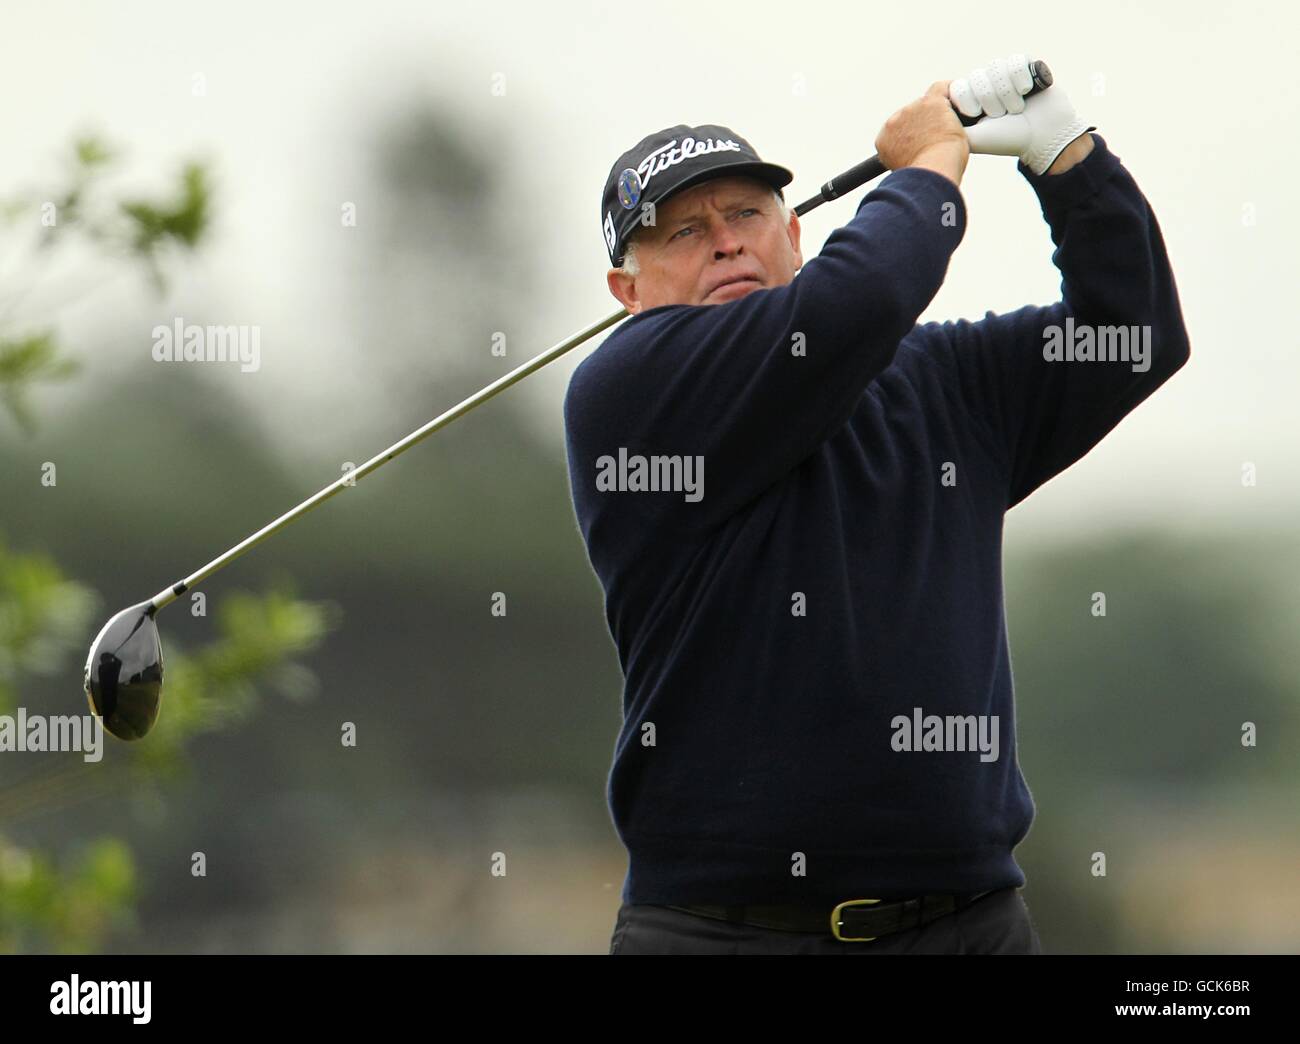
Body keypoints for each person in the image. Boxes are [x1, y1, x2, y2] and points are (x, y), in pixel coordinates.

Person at [562, 55, 1191, 954]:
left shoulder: (941, 380)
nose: (726, 241)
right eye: (682, 232)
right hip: (720, 934)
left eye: (745, 213)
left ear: (794, 237)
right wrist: (926, 167)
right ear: (629, 292)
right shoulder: (626, 394)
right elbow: (856, 305)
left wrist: (1068, 160)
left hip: (966, 925)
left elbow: (1135, 334)